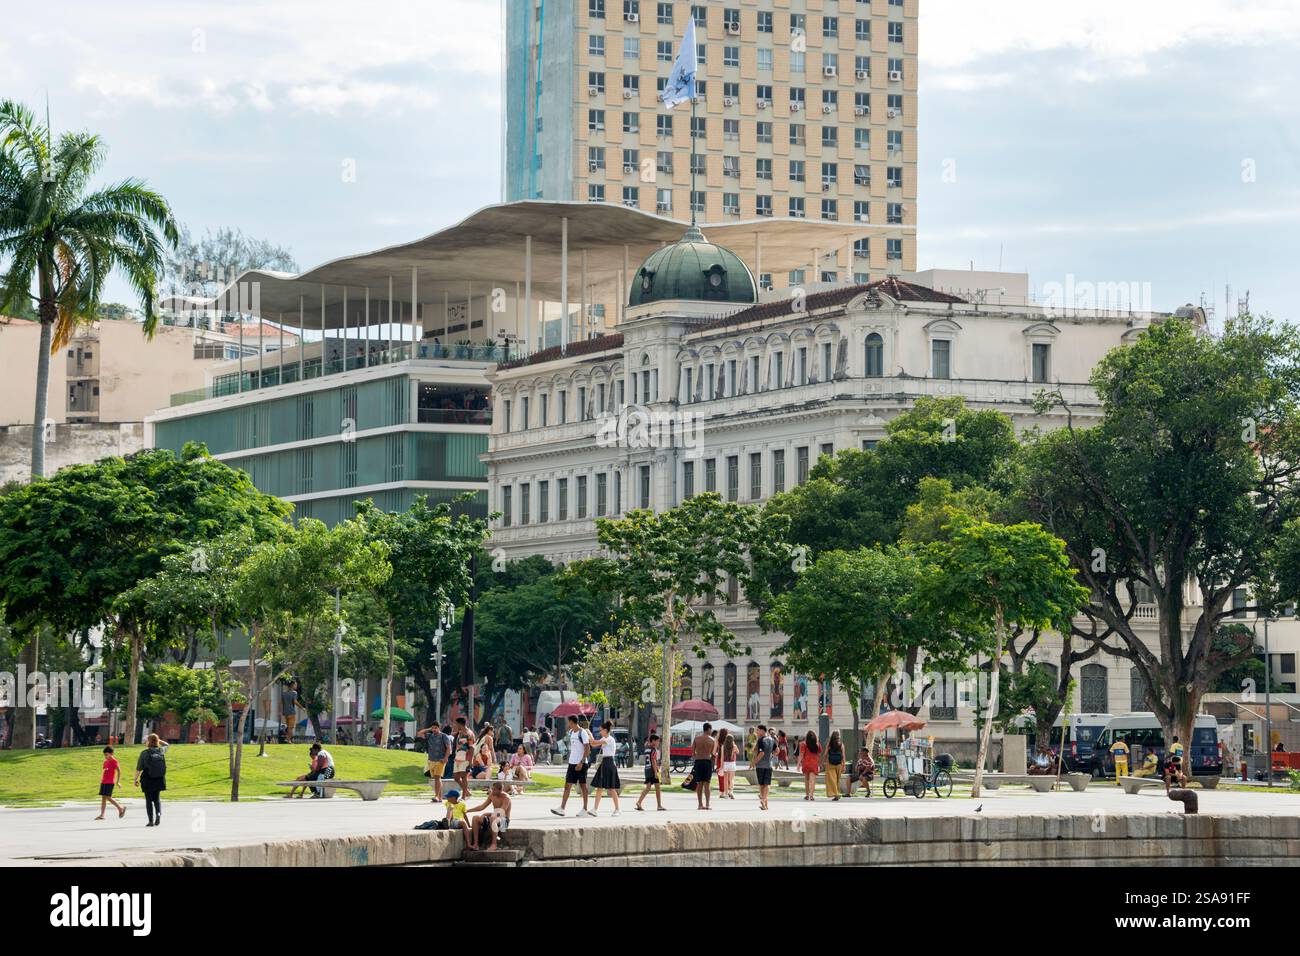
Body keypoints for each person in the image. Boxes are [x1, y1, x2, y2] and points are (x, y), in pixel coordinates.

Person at [552, 715, 593, 817]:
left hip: (581, 764)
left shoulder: (582, 732)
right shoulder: (571, 732)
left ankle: (585, 809)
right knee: (567, 786)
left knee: (583, 786)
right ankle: (562, 808)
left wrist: (581, 762)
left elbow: (587, 749)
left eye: (568, 722)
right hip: (572, 763)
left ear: (571, 722)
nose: (567, 724)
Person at [466, 782, 513, 850]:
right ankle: (476, 844)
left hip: (504, 822)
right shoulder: (492, 795)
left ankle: (494, 844)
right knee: (475, 818)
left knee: (492, 818)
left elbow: (500, 812)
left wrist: (486, 814)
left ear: (500, 790)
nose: (492, 791)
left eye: (494, 790)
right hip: (493, 818)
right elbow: (482, 807)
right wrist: (468, 810)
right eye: (492, 789)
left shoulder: (506, 798)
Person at [589, 720, 623, 815]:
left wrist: (589, 733)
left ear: (606, 730)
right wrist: (589, 735)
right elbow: (593, 744)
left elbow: (594, 742)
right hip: (604, 763)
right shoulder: (604, 739)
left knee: (611, 788)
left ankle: (617, 809)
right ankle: (594, 810)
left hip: (609, 763)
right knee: (599, 787)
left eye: (601, 730)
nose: (600, 732)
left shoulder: (609, 739)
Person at [134, 733, 168, 827]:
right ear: (156, 741)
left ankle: (150, 821)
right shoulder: (161, 750)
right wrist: (158, 740)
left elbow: (139, 768)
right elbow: (167, 745)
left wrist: (135, 779)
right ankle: (158, 816)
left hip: (147, 779)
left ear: (149, 741)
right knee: (157, 799)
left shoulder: (144, 753)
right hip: (159, 779)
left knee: (148, 800)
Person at [418, 721, 454, 801]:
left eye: (436, 728)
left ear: (439, 728)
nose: (434, 729)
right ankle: (440, 798)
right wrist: (429, 729)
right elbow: (420, 734)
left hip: (440, 760)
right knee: (436, 778)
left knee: (437, 778)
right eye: (433, 728)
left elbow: (449, 748)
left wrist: (446, 758)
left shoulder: (443, 736)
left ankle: (436, 796)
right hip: (431, 760)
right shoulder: (430, 735)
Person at [635, 733, 665, 811]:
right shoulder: (654, 750)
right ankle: (659, 805)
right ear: (653, 741)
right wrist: (656, 772)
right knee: (657, 787)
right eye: (658, 741)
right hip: (653, 770)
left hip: (647, 770)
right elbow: (653, 760)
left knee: (648, 788)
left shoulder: (647, 749)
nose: (658, 743)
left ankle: (639, 802)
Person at [94, 745, 125, 820]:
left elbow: (119, 771)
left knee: (108, 797)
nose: (105, 756)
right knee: (103, 798)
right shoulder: (105, 762)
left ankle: (120, 808)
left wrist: (118, 782)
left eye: (106, 755)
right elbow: (105, 771)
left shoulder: (114, 761)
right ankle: (102, 815)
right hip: (104, 782)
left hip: (110, 782)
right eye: (104, 755)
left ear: (112, 753)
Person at [692, 722, 717, 810]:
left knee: (699, 784)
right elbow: (714, 754)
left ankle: (700, 804)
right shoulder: (712, 740)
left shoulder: (696, 739)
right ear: (709, 729)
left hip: (698, 761)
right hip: (707, 761)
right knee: (707, 783)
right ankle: (707, 804)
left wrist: (696, 759)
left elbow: (693, 753)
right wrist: (713, 765)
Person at [752, 725, 776, 811]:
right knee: (766, 784)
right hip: (769, 765)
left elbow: (761, 753)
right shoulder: (772, 739)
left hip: (761, 765)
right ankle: (765, 804)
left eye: (758, 730)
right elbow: (777, 751)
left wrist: (753, 763)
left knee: (762, 785)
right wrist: (771, 757)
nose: (756, 732)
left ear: (762, 731)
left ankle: (763, 799)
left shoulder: (761, 740)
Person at [823, 731, 845, 800]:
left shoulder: (829, 744)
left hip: (830, 764)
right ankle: (836, 794)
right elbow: (843, 755)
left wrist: (822, 762)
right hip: (839, 764)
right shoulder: (841, 744)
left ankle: (836, 794)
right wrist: (843, 765)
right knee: (837, 780)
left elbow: (825, 754)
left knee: (832, 780)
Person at [800, 731, 821, 801]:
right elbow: (819, 754)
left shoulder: (803, 744)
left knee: (806, 780)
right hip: (814, 763)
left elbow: (802, 754)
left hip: (806, 763)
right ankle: (812, 795)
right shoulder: (817, 744)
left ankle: (807, 795)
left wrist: (798, 764)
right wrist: (819, 764)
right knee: (812, 780)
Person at [719, 730, 739, 800]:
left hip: (725, 764)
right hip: (732, 763)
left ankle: (726, 793)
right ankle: (731, 792)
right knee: (731, 779)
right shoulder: (734, 746)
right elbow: (738, 752)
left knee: (725, 780)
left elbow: (721, 757)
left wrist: (721, 767)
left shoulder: (723, 746)